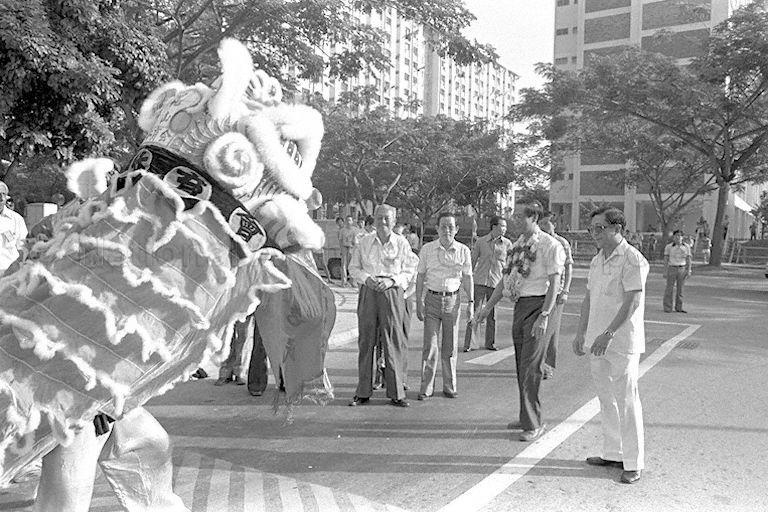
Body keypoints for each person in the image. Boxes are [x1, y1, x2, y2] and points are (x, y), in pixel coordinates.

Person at [475, 201, 564, 442]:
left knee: (531, 367)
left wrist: (545, 315)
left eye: (519, 217)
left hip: (539, 306)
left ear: (534, 217)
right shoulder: (517, 246)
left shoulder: (549, 245)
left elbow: (555, 283)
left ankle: (534, 423)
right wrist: (486, 308)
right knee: (520, 365)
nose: (514, 221)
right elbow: (505, 281)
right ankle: (526, 415)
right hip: (520, 306)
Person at [573, 206, 649, 485]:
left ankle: (634, 463)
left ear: (618, 229)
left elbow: (633, 301)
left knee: (627, 400)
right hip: (596, 340)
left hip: (621, 341)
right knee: (606, 398)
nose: (595, 234)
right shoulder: (597, 260)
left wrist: (608, 333)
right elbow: (588, 299)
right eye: (592, 229)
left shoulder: (633, 259)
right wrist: (581, 332)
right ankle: (613, 452)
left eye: (600, 228)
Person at [348, 204, 416, 407]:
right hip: (369, 291)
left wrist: (392, 281)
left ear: (394, 221)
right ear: (374, 220)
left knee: (393, 340)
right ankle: (363, 391)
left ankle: (396, 393)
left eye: (387, 218)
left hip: (391, 292)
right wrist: (366, 278)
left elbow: (409, 269)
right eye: (379, 218)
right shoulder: (364, 241)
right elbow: (353, 267)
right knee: (366, 340)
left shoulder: (402, 243)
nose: (383, 222)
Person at [415, 212, 473, 400]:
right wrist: (418, 301)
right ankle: (426, 388)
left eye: (450, 227)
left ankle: (449, 386)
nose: (446, 230)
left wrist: (470, 303)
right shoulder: (427, 249)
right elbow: (421, 276)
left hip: (453, 301)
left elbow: (467, 277)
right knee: (430, 346)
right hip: (431, 299)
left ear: (456, 229)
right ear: (437, 228)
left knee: (450, 347)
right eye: (443, 226)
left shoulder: (464, 250)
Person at [464, 215, 512, 352]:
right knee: (475, 312)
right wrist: (468, 278)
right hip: (479, 280)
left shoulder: (508, 244)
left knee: (492, 315)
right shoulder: (481, 242)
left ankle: (490, 343)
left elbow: (510, 265)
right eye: (502, 226)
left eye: (505, 227)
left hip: (496, 283)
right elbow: (472, 261)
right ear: (494, 227)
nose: (504, 229)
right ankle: (471, 343)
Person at [538, 211, 573, 380]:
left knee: (551, 332)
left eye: (547, 223)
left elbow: (568, 268)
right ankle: (537, 362)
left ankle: (547, 365)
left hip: (556, 293)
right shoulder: (538, 242)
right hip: (540, 292)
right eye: (541, 223)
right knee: (538, 330)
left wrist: (565, 290)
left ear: (554, 225)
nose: (543, 227)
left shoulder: (562, 243)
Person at [0, 181, 28, 276]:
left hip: (9, 274)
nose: (1, 198)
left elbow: (24, 248)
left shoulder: (16, 219)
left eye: (3, 194)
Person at [663, 230, 692, 313]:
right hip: (672, 267)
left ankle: (679, 307)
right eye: (676, 236)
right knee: (669, 288)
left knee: (680, 289)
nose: (678, 237)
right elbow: (666, 259)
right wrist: (665, 270)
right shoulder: (669, 247)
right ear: (673, 237)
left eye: (680, 236)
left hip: (682, 268)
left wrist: (689, 269)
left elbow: (689, 258)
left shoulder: (686, 247)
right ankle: (668, 307)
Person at [215, 320, 249, 385]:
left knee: (242, 338)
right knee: (226, 337)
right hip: (227, 310)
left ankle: (239, 373)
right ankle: (225, 373)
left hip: (243, 311)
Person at [339, 216, 358, 287]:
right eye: (347, 220)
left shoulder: (354, 230)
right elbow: (340, 240)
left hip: (351, 248)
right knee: (343, 264)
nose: (348, 222)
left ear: (352, 221)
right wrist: (341, 249)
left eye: (350, 220)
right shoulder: (342, 230)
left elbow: (355, 240)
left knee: (352, 265)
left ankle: (352, 281)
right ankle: (343, 282)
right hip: (344, 247)